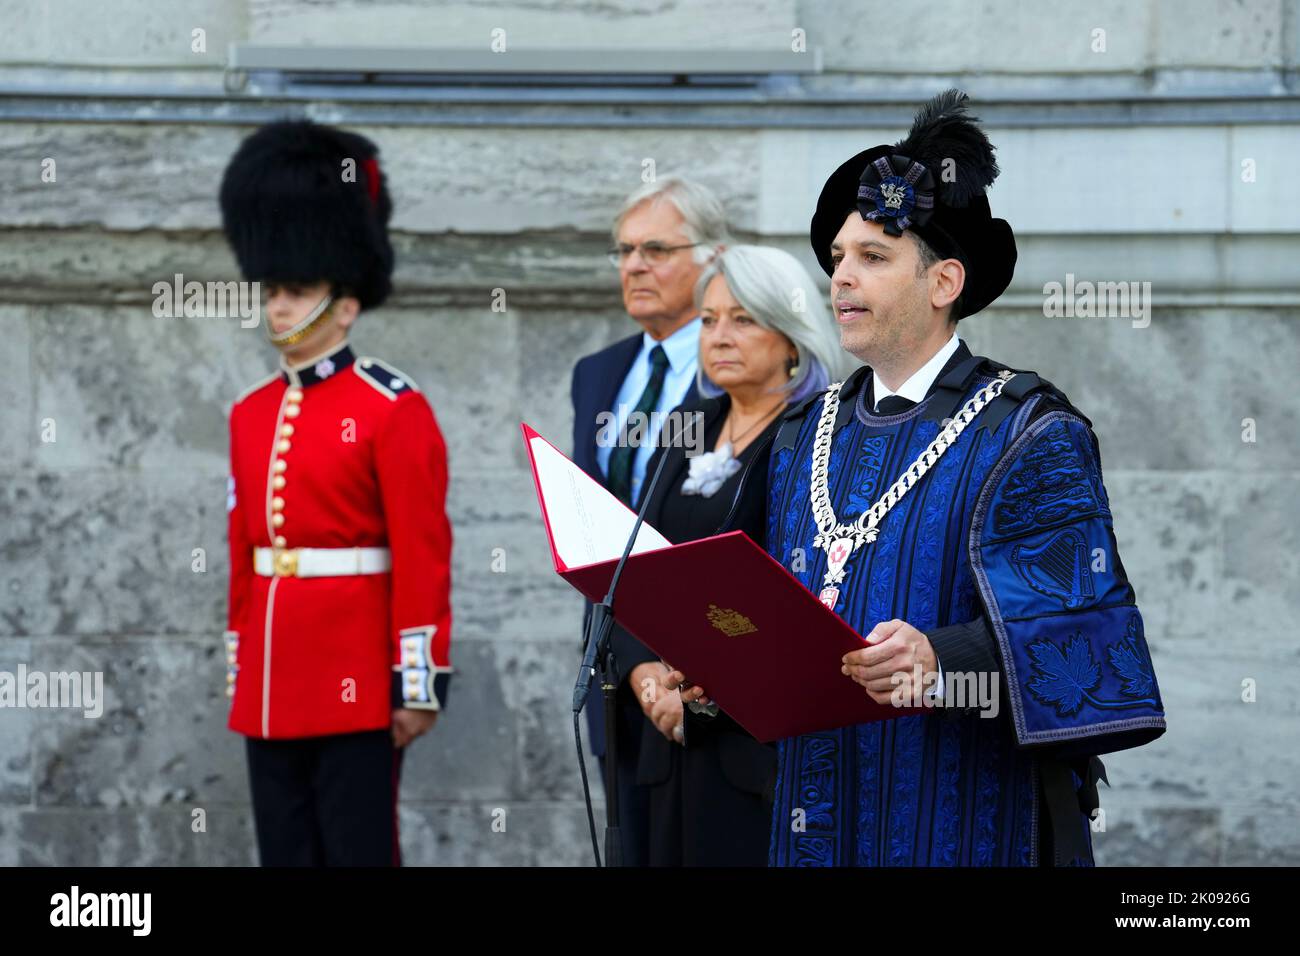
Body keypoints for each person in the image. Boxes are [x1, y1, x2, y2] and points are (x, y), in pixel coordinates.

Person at [672, 91, 1166, 866]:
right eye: (837, 258)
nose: (840, 278)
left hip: (967, 821)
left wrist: (945, 663)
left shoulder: (1027, 430)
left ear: (943, 285)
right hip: (815, 823)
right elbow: (765, 610)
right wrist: (720, 666)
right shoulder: (802, 433)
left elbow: (1091, 645)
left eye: (872, 258)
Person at [219, 120, 453, 866]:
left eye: (297, 292)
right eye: (273, 291)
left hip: (355, 675)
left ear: (344, 305)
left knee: (356, 853)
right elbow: (243, 551)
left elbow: (421, 552)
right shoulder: (251, 413)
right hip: (270, 676)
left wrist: (417, 681)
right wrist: (241, 659)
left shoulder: (393, 408)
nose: (278, 307)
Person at [611, 245, 849, 866]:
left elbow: (800, 598)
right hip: (669, 736)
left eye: (743, 319)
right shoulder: (689, 422)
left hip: (755, 746)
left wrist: (703, 694)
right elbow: (637, 566)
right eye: (710, 319)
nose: (719, 336)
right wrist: (644, 676)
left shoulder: (819, 434)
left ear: (791, 337)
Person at [568, 176, 728, 866]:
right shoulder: (598, 374)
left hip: (708, 676)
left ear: (713, 258)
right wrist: (631, 661)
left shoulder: (738, 367)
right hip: (615, 665)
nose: (634, 265)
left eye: (657, 249)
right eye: (625, 251)